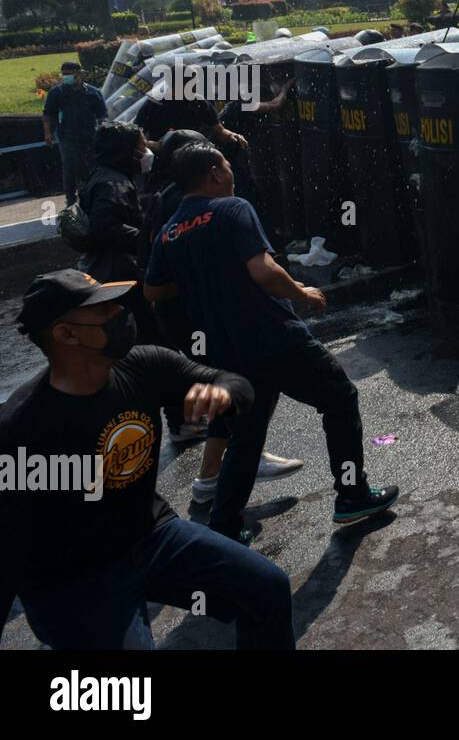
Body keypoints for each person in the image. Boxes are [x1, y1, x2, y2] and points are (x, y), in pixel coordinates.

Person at [0, 269, 294, 649]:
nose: (122, 312)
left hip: (149, 535)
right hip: (72, 578)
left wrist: (221, 394)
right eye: (104, 310)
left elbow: (235, 384)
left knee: (266, 587)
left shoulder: (143, 365)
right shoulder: (22, 426)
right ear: (66, 334)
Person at [143, 143, 399, 539]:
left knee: (245, 435)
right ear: (214, 172)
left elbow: (154, 291)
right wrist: (303, 293)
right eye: (227, 165)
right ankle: (352, 495)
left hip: (223, 350)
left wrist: (205, 278)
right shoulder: (233, 209)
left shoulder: (170, 231)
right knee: (340, 399)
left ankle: (224, 527)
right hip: (273, 336)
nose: (232, 172)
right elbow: (263, 270)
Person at [80, 121, 151, 284]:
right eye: (142, 147)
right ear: (126, 151)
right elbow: (106, 227)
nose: (147, 153)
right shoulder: (113, 184)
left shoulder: (102, 174)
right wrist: (147, 240)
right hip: (116, 271)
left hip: (106, 265)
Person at [42, 60, 106, 207]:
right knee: (69, 168)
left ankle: (93, 196)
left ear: (79, 74)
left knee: (91, 166)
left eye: (69, 74)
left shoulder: (93, 93)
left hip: (90, 136)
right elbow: (48, 115)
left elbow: (102, 116)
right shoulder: (56, 93)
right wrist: (48, 133)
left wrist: (103, 133)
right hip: (66, 136)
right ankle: (70, 201)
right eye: (64, 74)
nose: (66, 77)